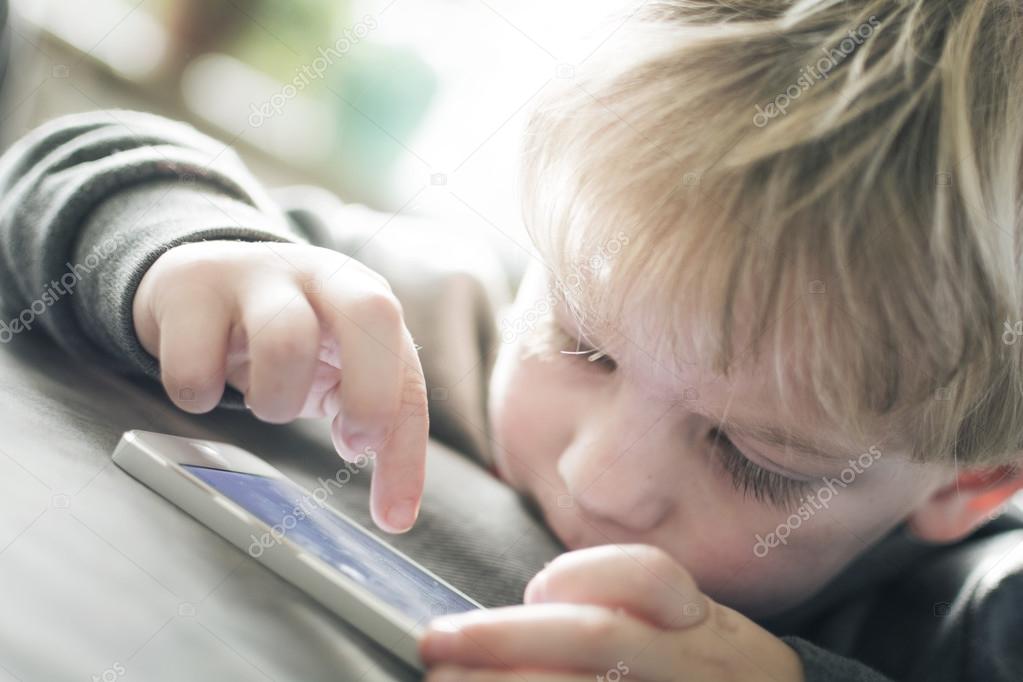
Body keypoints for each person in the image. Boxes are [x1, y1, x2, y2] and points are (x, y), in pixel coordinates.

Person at [1, 1, 1022, 680]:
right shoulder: (433, 314)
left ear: (966, 482)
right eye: (582, 343)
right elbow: (73, 162)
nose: (602, 474)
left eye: (753, 453)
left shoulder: (978, 619)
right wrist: (189, 249)